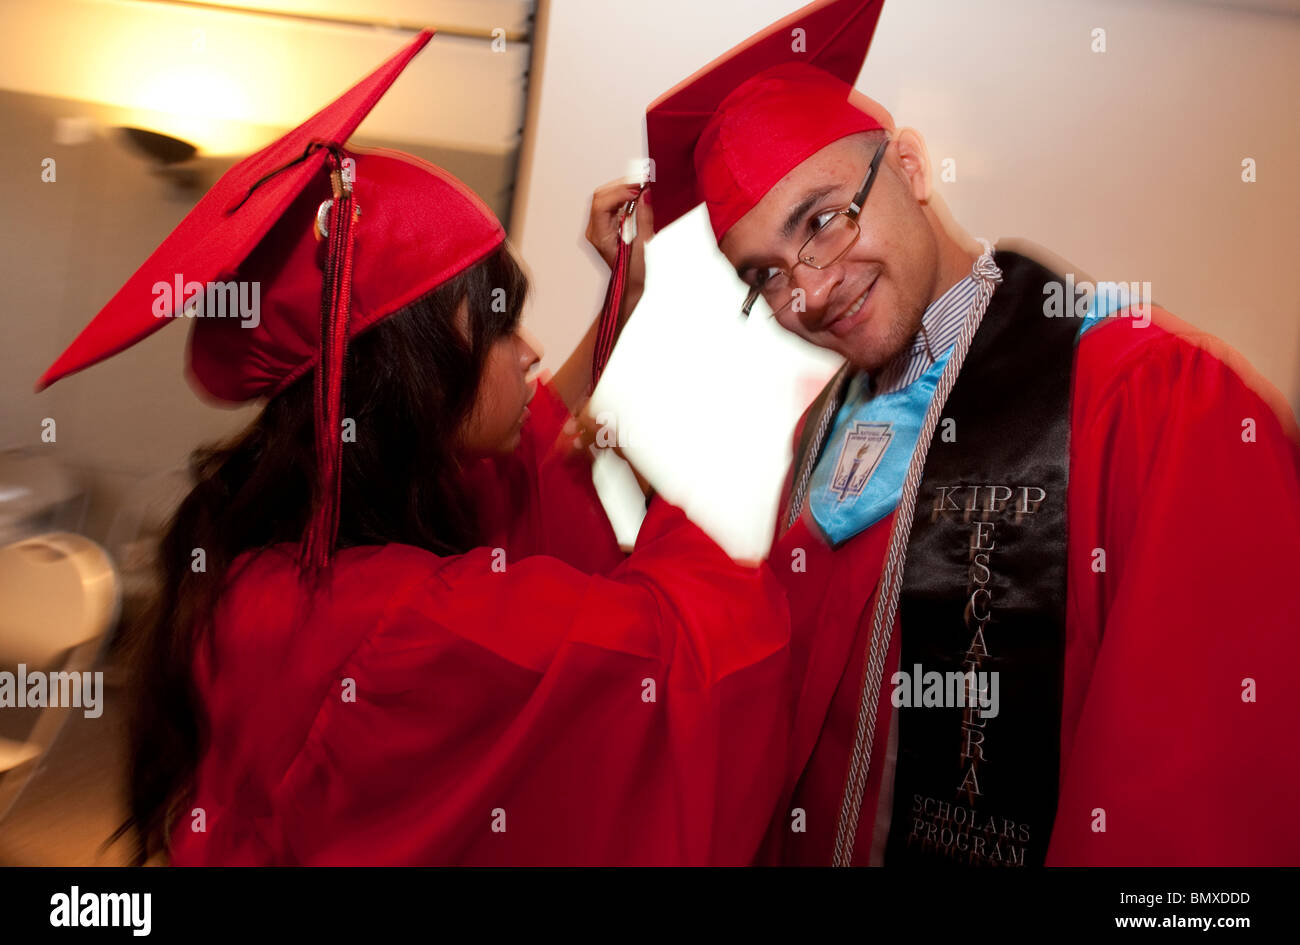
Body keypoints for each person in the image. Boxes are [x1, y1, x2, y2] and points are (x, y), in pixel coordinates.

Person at [37, 31, 793, 865]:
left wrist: (627, 291)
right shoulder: (414, 624)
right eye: (502, 324)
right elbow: (687, 656)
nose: (532, 355)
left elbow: (521, 433)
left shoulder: (262, 570)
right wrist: (658, 501)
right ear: (412, 377)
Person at [634, 0, 1300, 865]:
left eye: (823, 219)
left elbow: (1196, 795)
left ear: (909, 166)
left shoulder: (1148, 396)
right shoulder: (825, 432)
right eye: (763, 273)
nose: (810, 291)